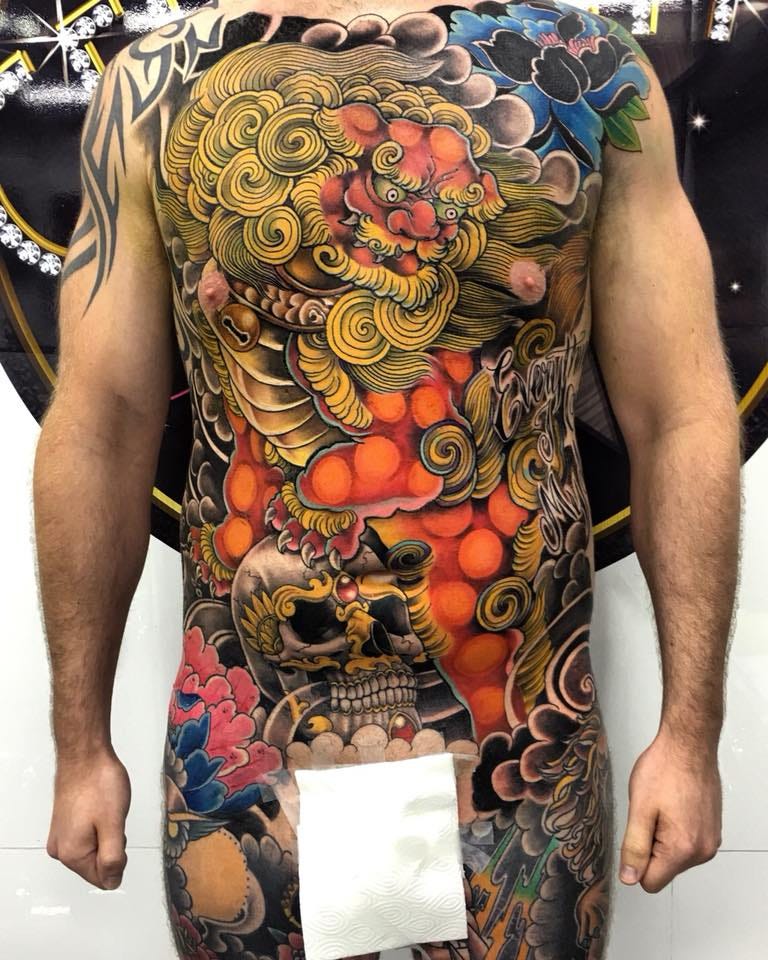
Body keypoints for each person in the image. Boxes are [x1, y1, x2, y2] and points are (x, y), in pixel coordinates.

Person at [34, 1, 742, 958]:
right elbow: (102, 424)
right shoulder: (157, 87)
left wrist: (691, 736)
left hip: (518, 763)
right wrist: (80, 744)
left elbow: (680, 414)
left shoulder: (589, 71)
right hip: (252, 768)